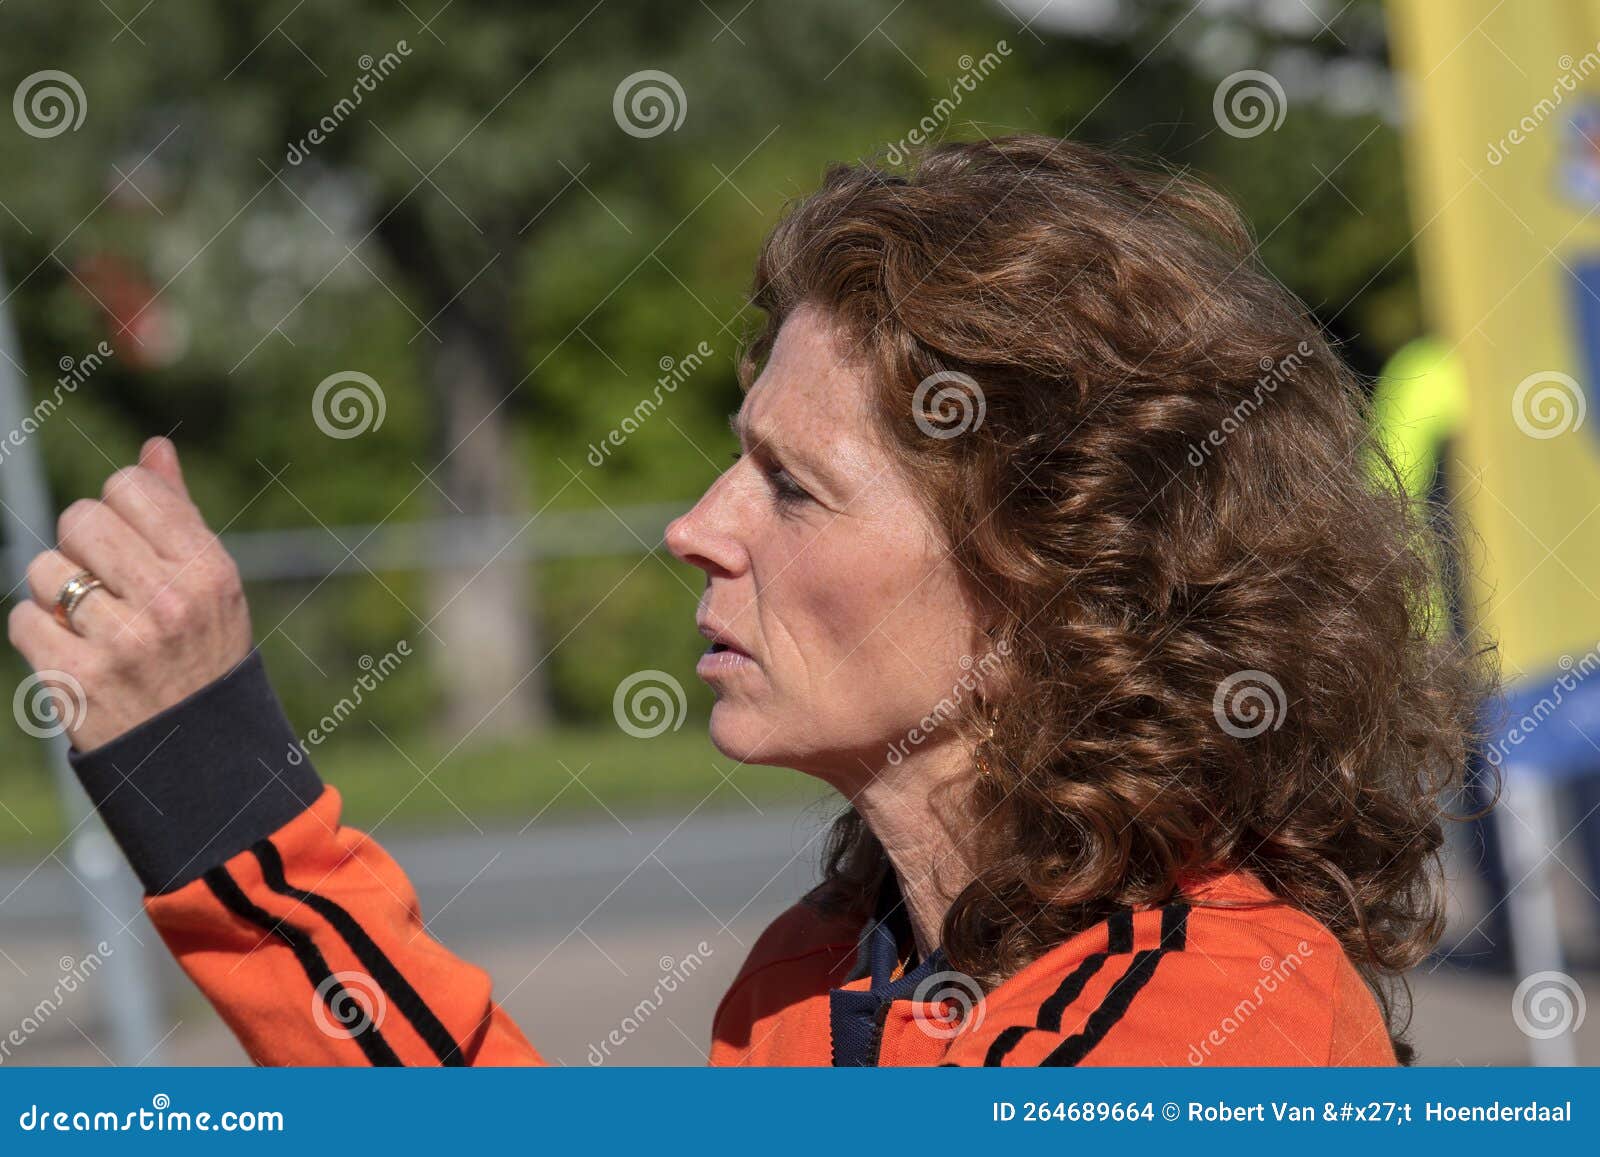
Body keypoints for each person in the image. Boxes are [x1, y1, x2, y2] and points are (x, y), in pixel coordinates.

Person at [8, 136, 1494, 1067]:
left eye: (792, 485)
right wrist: (205, 787)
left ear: (1049, 576)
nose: (693, 527)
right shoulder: (821, 971)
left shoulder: (1210, 1025)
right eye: (736, 463)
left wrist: (225, 801)